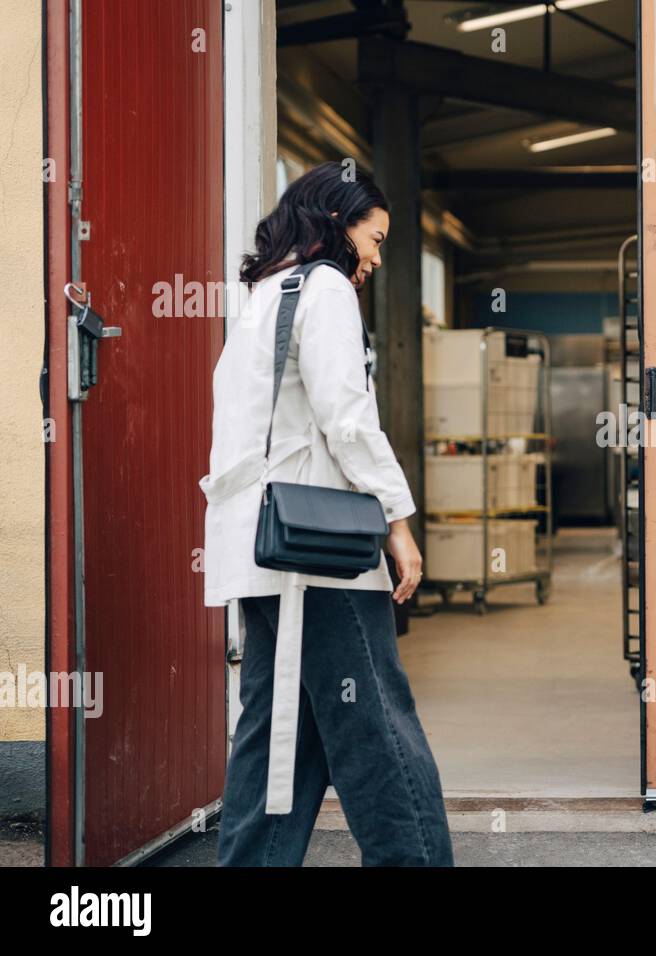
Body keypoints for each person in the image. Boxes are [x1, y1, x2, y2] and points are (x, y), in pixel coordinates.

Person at [199, 161, 454, 866]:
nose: (375, 255)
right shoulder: (327, 289)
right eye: (372, 237)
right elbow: (347, 422)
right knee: (376, 724)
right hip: (320, 557)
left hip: (261, 547)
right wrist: (398, 522)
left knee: (283, 731)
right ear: (337, 225)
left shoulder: (260, 297)